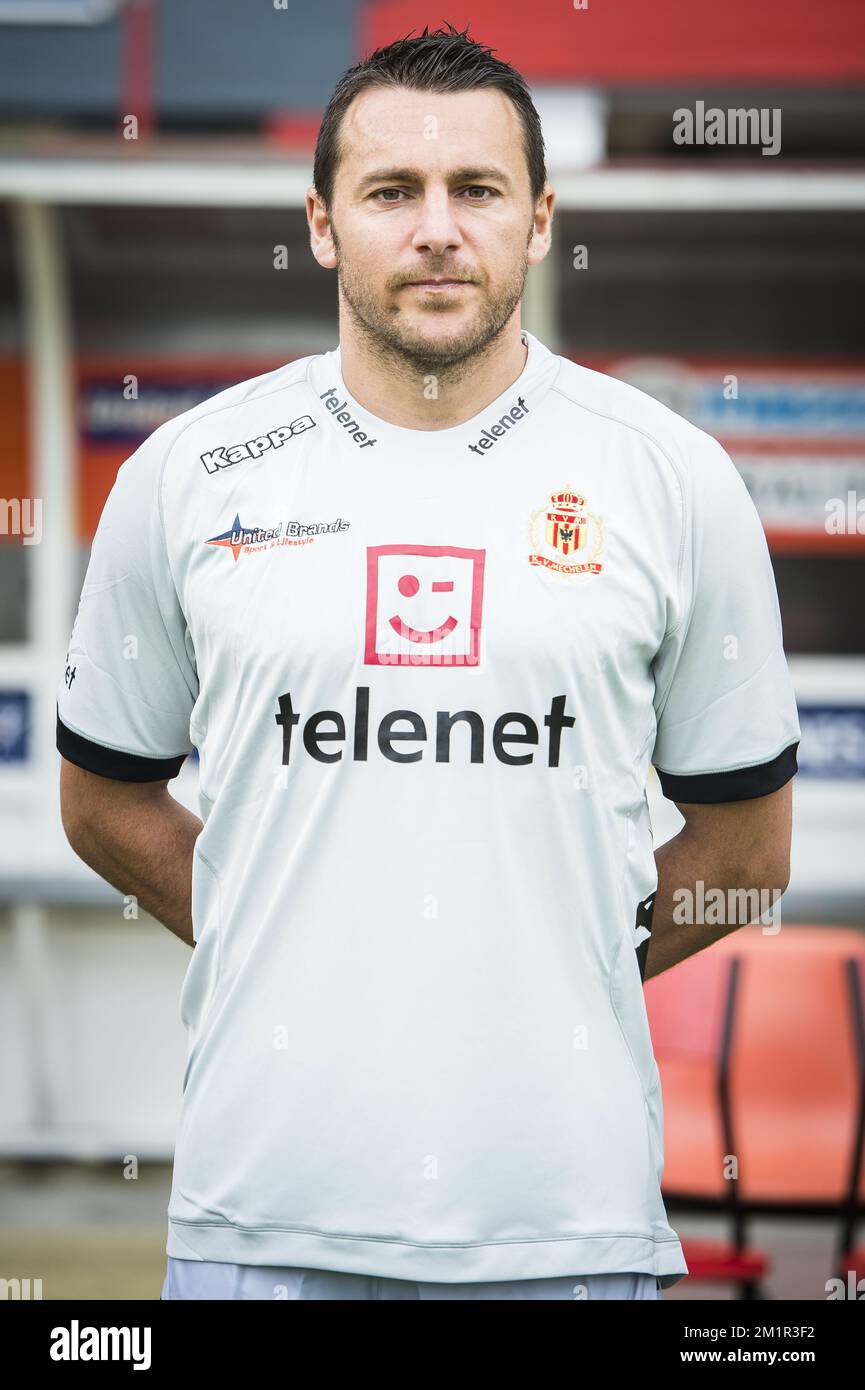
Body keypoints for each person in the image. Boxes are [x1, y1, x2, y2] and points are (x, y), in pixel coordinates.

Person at [57, 23, 799, 1302]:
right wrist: (271, 941)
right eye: (393, 191)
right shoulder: (187, 473)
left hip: (564, 1228)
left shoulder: (670, 479)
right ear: (324, 221)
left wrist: (548, 954)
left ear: (541, 215)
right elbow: (103, 797)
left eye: (478, 190)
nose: (438, 227)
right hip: (260, 1221)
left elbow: (745, 852)